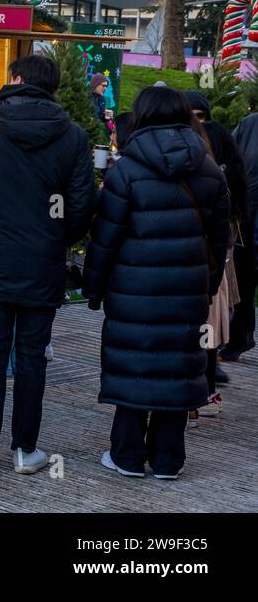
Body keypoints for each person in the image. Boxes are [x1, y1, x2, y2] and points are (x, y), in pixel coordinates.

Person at [0, 53, 95, 474]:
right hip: (42, 260)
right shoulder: (71, 135)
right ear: (52, 87)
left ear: (14, 80)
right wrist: (56, 235)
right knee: (33, 356)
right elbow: (83, 204)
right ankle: (25, 450)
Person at [83, 86, 229, 479]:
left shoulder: (126, 169)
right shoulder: (210, 169)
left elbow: (105, 236)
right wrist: (208, 283)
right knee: (179, 369)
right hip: (188, 289)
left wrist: (92, 287)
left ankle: (127, 455)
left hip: (133, 290)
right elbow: (220, 239)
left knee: (134, 366)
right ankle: (168, 460)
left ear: (142, 116)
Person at [184, 91, 244, 412]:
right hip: (205, 261)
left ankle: (201, 391)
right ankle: (199, 394)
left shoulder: (216, 142)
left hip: (209, 259)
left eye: (200, 115)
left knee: (208, 320)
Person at [227, 110, 258, 361]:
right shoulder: (249, 124)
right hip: (248, 214)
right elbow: (231, 161)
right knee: (243, 277)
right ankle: (240, 338)